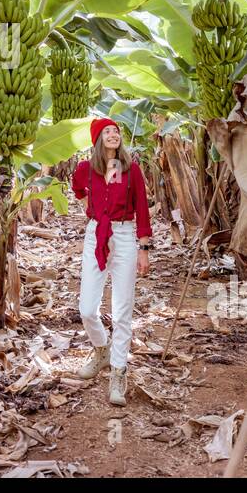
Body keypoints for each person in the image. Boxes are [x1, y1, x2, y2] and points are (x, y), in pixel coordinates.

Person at [70, 117, 152, 406]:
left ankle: (119, 371)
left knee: (121, 312)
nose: (113, 134)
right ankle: (101, 350)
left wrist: (143, 247)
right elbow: (77, 188)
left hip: (126, 235)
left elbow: (142, 209)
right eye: (107, 131)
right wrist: (87, 207)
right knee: (87, 309)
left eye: (116, 131)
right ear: (97, 139)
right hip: (96, 233)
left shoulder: (131, 170)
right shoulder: (86, 169)